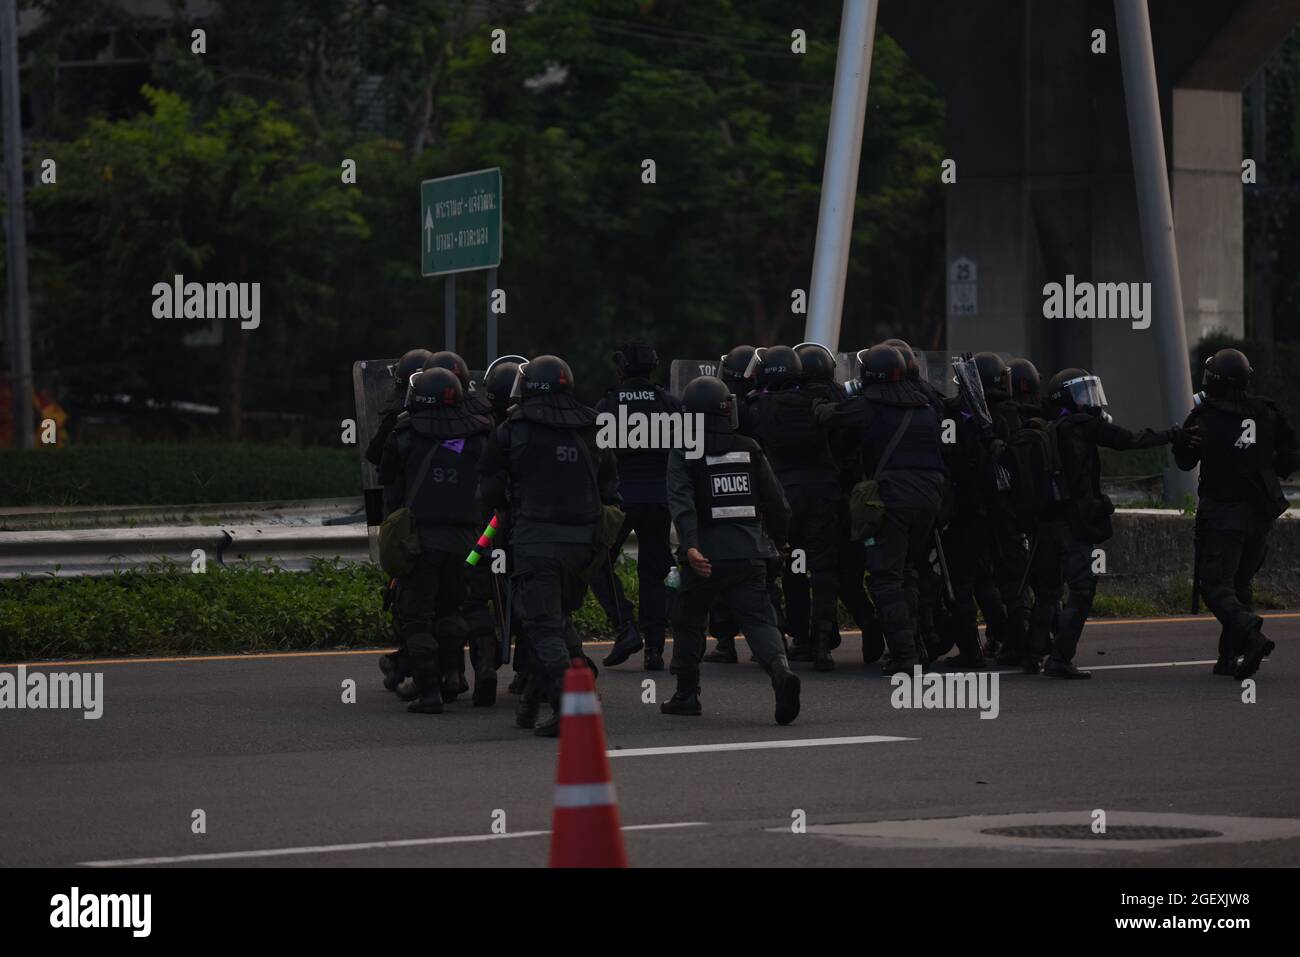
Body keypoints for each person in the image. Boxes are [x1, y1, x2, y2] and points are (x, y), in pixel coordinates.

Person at [477, 355, 620, 736]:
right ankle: (559, 696)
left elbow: (489, 488)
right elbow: (609, 487)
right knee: (558, 620)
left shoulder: (513, 428)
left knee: (541, 625)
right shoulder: (593, 425)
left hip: (537, 540)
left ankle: (569, 706)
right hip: (584, 544)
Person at [1027, 368, 1197, 678]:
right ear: (1065, 397)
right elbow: (1129, 440)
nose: (1090, 400)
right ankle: (1059, 658)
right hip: (1074, 524)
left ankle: (1033, 653)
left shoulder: (1049, 428)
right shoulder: (1081, 426)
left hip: (1047, 522)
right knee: (1081, 590)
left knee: (1048, 591)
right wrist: (1172, 434)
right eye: (1082, 393)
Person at [663, 375, 801, 724]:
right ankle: (781, 672)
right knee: (758, 619)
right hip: (749, 553)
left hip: (705, 558)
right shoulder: (750, 447)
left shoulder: (684, 451)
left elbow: (682, 504)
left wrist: (691, 547)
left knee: (689, 619)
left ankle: (686, 694)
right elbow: (777, 503)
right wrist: (781, 541)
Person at [816, 344, 946, 675]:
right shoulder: (927, 407)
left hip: (892, 498)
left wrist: (818, 400)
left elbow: (829, 417)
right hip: (930, 498)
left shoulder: (869, 406)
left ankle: (905, 656)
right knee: (906, 571)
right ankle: (916, 648)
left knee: (886, 578)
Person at [1176, 348, 1299, 679]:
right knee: (1240, 583)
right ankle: (1228, 657)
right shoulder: (1267, 411)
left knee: (1214, 585)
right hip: (1260, 514)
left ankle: (1250, 633)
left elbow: (1184, 461)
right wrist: (1263, 465)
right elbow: (1291, 455)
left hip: (1222, 513)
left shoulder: (1203, 416)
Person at [378, 367, 494, 714]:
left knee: (416, 615)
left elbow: (390, 489)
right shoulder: (481, 433)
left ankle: (429, 690)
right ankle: (452, 676)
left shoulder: (404, 433)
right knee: (453, 610)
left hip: (420, 543)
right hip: (469, 545)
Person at [743, 345, 842, 671]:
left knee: (793, 568)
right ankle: (823, 643)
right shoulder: (820, 402)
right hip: (824, 494)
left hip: (786, 497)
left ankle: (797, 638)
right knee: (825, 570)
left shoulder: (759, 406)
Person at [796, 341, 883, 662]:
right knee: (843, 573)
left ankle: (815, 641)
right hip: (846, 499)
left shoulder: (786, 401)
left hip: (801, 501)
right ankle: (862, 624)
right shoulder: (846, 400)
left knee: (805, 573)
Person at [595, 342, 680, 671]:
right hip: (660, 500)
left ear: (621, 370)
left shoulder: (607, 405)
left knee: (598, 563)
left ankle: (625, 626)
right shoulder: (669, 403)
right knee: (654, 572)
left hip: (620, 501)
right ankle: (655, 650)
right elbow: (683, 451)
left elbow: (597, 457)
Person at [368, 348, 431, 696]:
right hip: (463, 531)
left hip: (408, 530)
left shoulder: (401, 424)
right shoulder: (468, 422)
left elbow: (377, 459)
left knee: (409, 603)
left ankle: (421, 677)